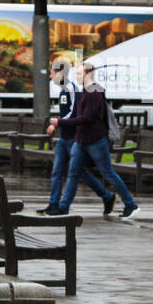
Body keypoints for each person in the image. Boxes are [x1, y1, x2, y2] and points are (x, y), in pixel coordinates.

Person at [48, 63, 139, 219]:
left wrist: (60, 122)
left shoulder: (95, 91)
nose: (76, 76)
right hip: (81, 141)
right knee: (73, 173)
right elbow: (79, 115)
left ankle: (130, 204)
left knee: (108, 173)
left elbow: (87, 118)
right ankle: (63, 208)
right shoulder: (84, 91)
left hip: (96, 141)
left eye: (79, 73)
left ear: (88, 74)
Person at [38, 60, 114, 217]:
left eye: (52, 73)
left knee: (79, 174)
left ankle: (106, 196)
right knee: (58, 172)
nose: (50, 76)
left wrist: (57, 123)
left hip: (73, 138)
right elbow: (68, 112)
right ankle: (53, 204)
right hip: (64, 138)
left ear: (60, 73)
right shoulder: (63, 90)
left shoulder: (71, 89)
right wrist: (59, 122)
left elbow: (74, 113)